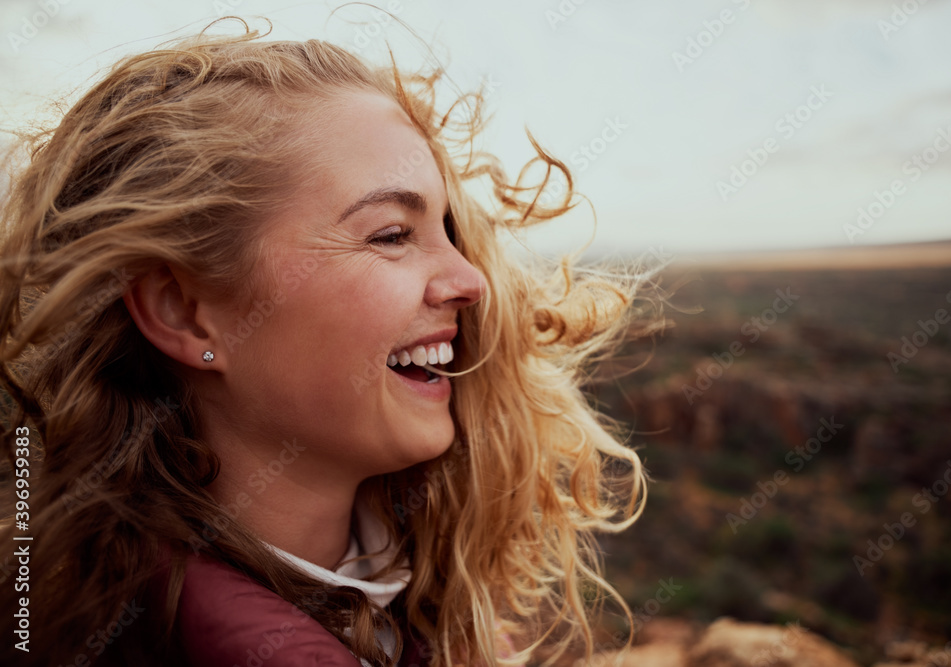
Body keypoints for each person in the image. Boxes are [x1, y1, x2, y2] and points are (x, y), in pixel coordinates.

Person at [0, 19, 655, 667]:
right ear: (185, 313)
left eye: (449, 229)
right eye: (391, 234)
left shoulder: (422, 612)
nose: (469, 279)